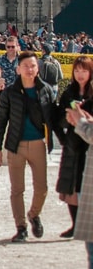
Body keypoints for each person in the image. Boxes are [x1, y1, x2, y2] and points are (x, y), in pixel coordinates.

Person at [0, 51, 56, 243]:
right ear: (18, 69)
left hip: (38, 143)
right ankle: (21, 227)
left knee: (42, 187)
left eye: (33, 66)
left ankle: (34, 214)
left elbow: (53, 117)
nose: (30, 69)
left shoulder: (45, 90)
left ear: (38, 69)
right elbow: (1, 119)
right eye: (26, 66)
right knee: (17, 189)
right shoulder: (10, 92)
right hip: (15, 145)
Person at [55, 55, 93, 238]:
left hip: (89, 143)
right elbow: (58, 119)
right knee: (71, 184)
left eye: (84, 70)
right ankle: (75, 224)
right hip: (72, 142)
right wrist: (69, 118)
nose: (80, 74)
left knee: (86, 184)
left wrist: (84, 115)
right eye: (77, 70)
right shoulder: (69, 92)